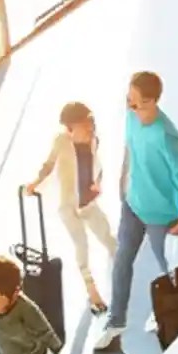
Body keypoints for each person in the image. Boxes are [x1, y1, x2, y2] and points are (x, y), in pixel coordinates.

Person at [94, 71, 178, 351]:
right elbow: (130, 151)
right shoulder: (130, 117)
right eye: (129, 101)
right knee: (122, 260)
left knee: (168, 269)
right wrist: (122, 187)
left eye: (137, 103)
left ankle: (171, 314)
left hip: (161, 214)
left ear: (152, 102)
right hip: (133, 205)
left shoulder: (167, 135)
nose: (131, 108)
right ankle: (116, 320)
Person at [26, 101, 118, 314]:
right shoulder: (62, 142)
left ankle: (122, 272)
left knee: (108, 237)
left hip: (88, 202)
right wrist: (34, 183)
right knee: (82, 247)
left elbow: (98, 165)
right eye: (84, 125)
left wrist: (98, 183)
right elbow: (48, 165)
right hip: (68, 207)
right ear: (70, 129)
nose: (89, 128)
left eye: (90, 122)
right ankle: (92, 290)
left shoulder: (94, 140)